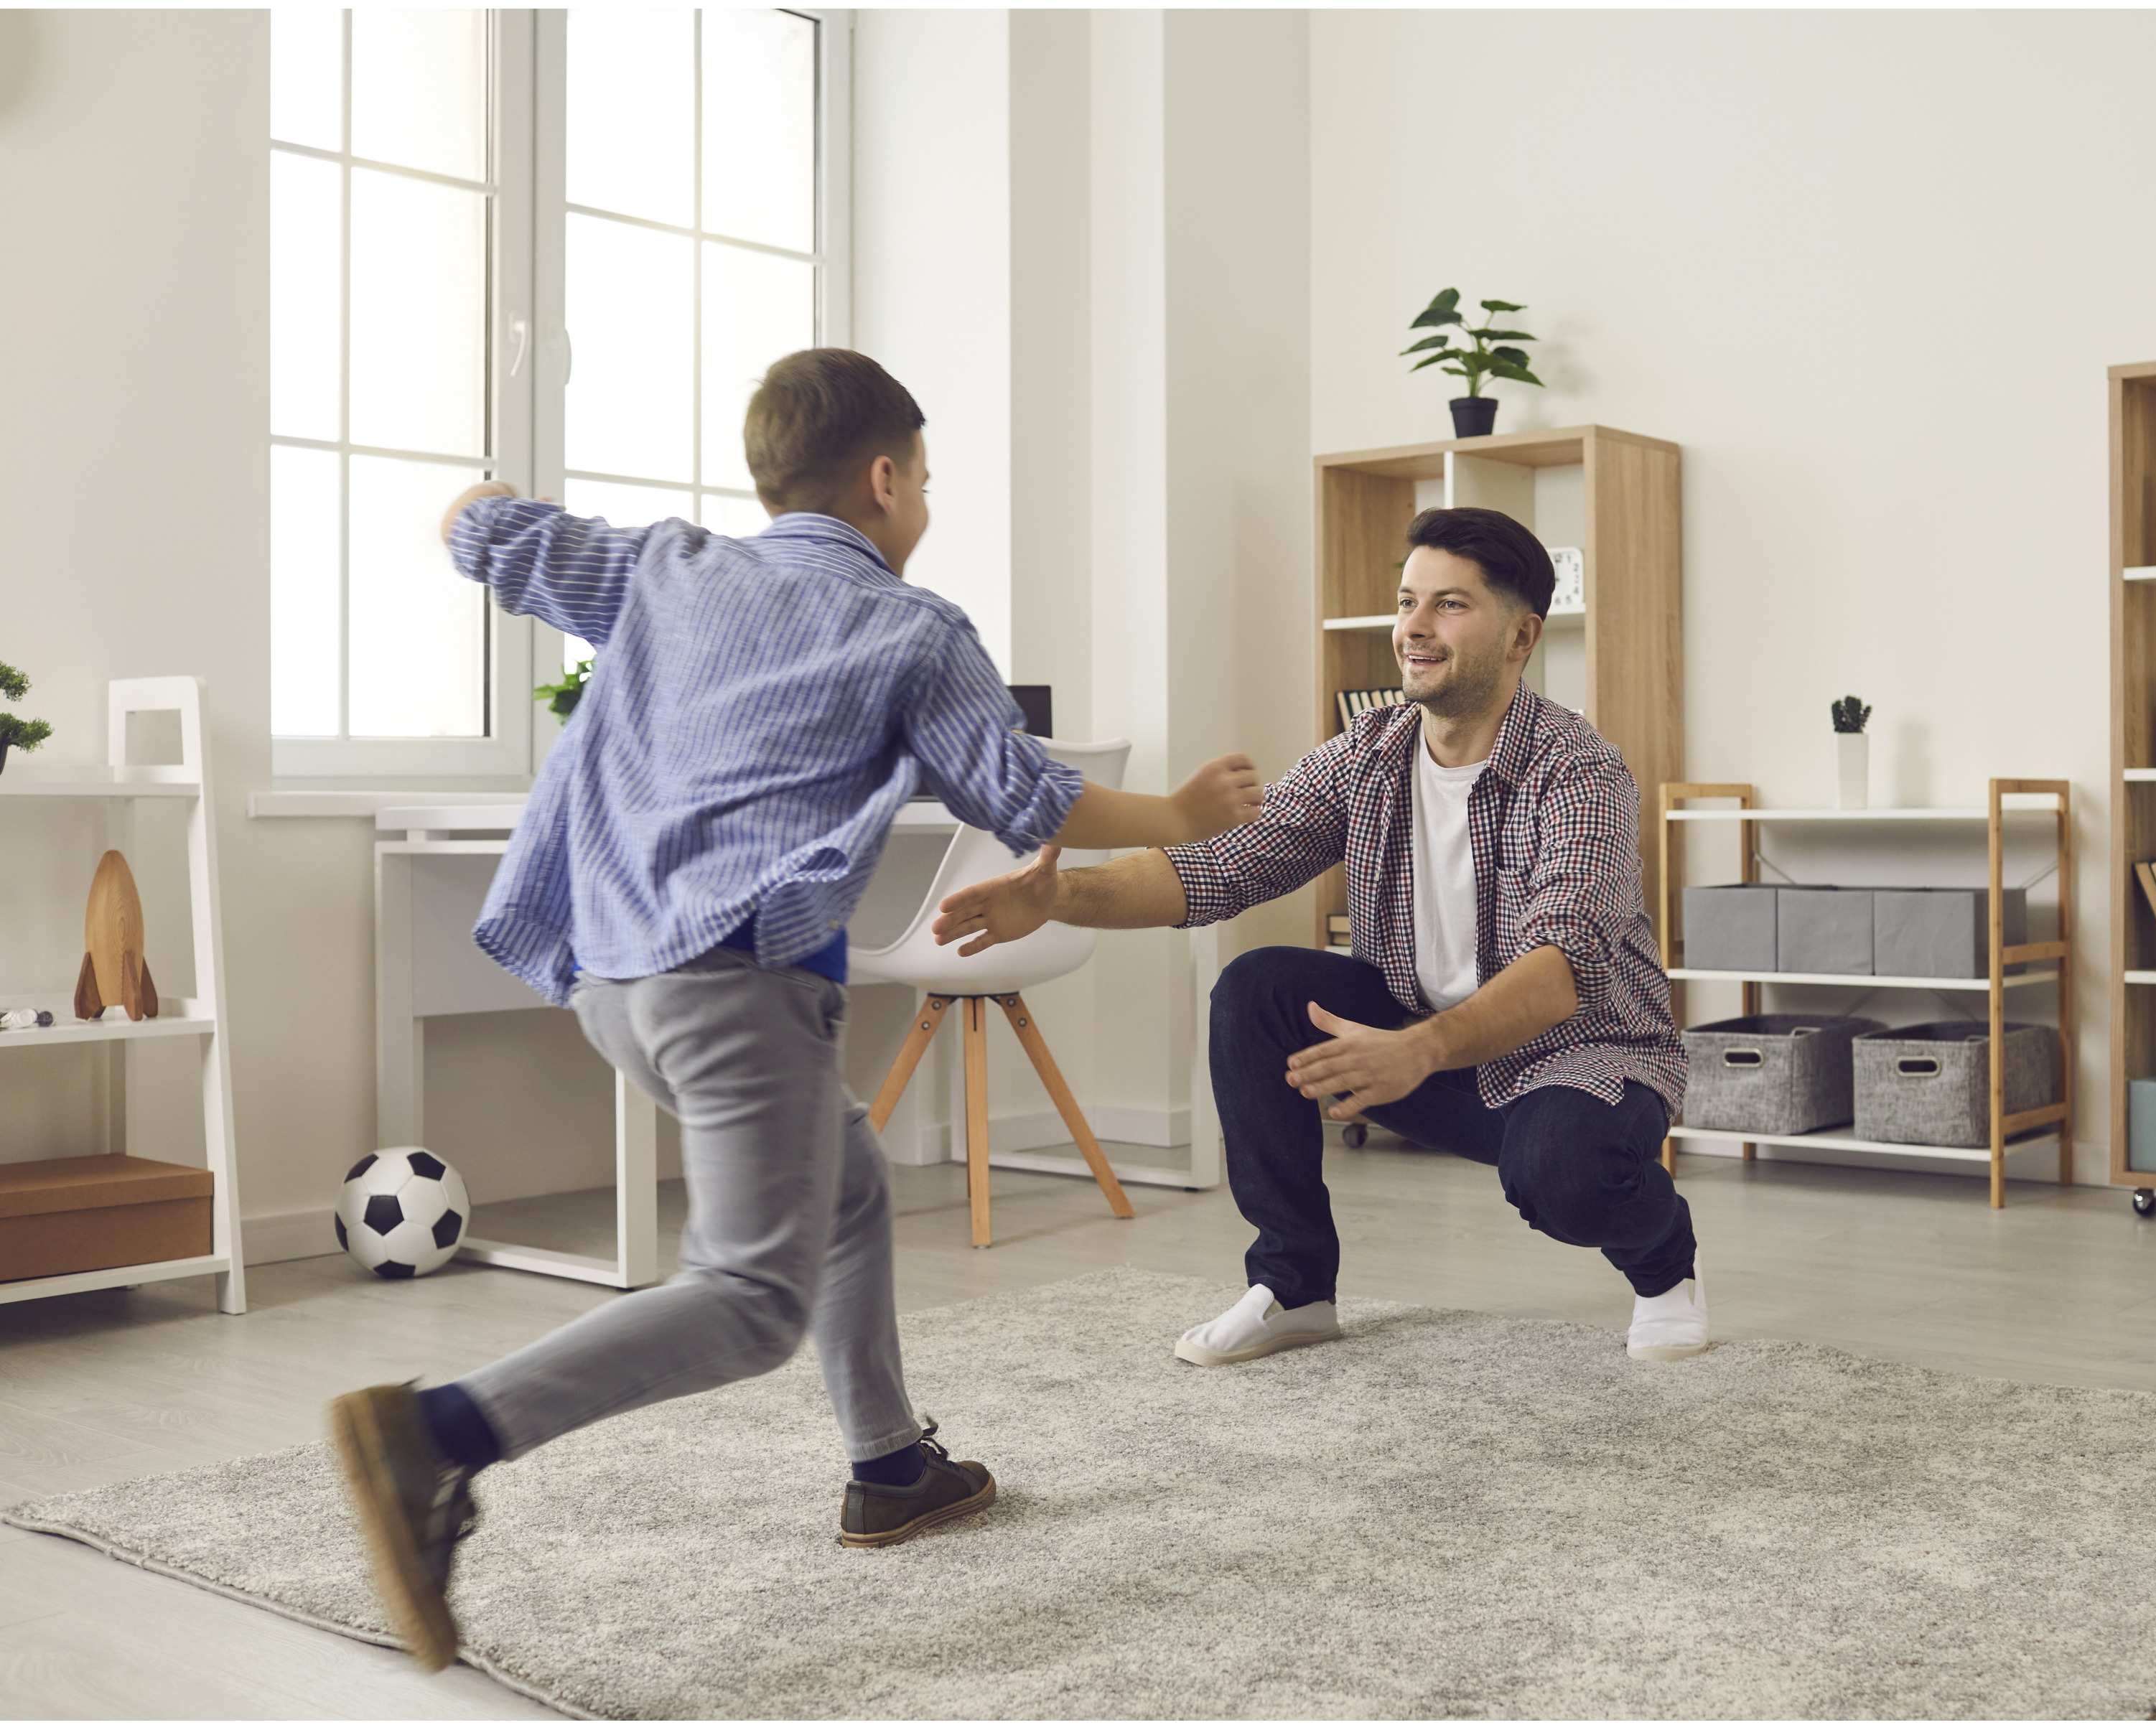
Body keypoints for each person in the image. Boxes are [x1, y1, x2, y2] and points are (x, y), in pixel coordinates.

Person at [325, 349, 1263, 1673]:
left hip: (607, 976)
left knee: (852, 1181)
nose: (925, 504)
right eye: (925, 479)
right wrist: (1176, 816)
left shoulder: (664, 566)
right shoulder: (909, 627)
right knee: (751, 1300)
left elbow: (479, 528)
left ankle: (889, 1463)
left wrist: (476, 496)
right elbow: (1022, 796)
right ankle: (442, 1435)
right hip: (740, 988)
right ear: (884, 480)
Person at [934, 505, 1701, 1372]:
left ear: (1522, 635)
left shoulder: (1577, 769)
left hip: (1577, 1056)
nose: (1413, 627)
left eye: (1448, 605)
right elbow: (1225, 866)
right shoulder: (1366, 753)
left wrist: (1420, 1049)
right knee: (1257, 988)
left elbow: (1562, 968)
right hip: (1421, 1042)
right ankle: (1295, 1286)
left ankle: (1664, 1270)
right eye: (1407, 602)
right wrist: (1057, 897)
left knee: (1559, 1173)